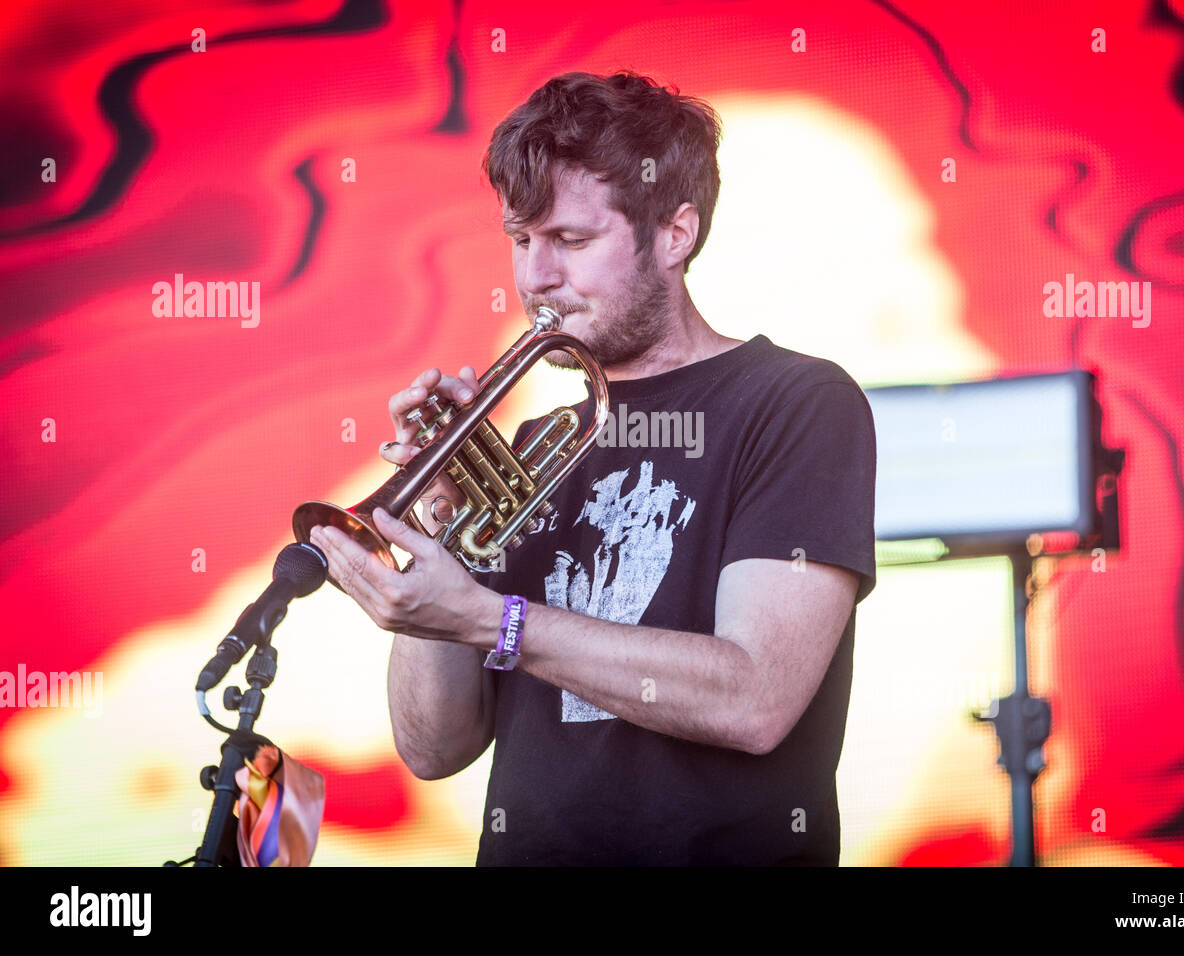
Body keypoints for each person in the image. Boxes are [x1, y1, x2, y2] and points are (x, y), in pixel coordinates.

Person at [308, 70, 876, 865]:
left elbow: (756, 699)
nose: (536, 276)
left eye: (571, 241)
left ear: (676, 234)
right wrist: (440, 528)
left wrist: (490, 619)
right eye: (521, 240)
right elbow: (434, 749)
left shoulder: (797, 402)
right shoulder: (534, 443)